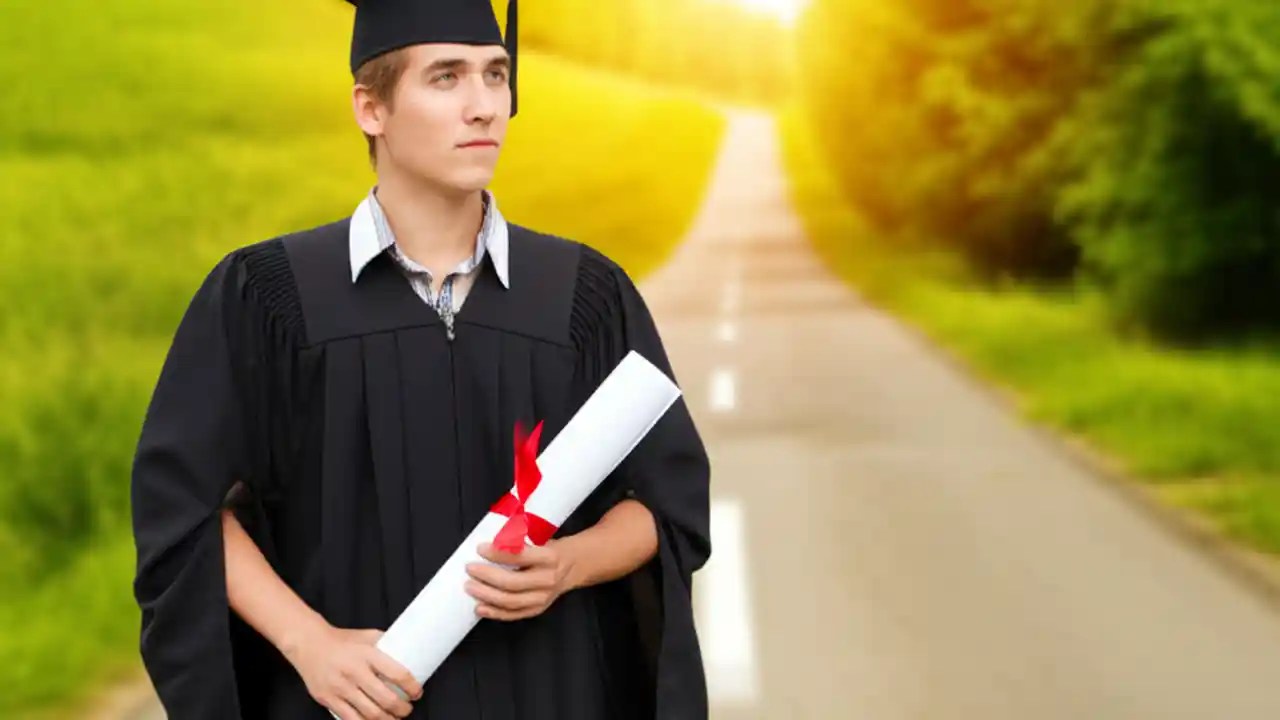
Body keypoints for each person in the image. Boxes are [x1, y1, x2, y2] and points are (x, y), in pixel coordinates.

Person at [128, 0, 712, 718]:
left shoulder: (581, 296)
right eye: (446, 78)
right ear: (370, 107)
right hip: (352, 703)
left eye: (496, 76)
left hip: (550, 694)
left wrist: (567, 566)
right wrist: (309, 643)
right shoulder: (271, 299)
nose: (483, 107)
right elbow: (186, 508)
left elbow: (665, 503)